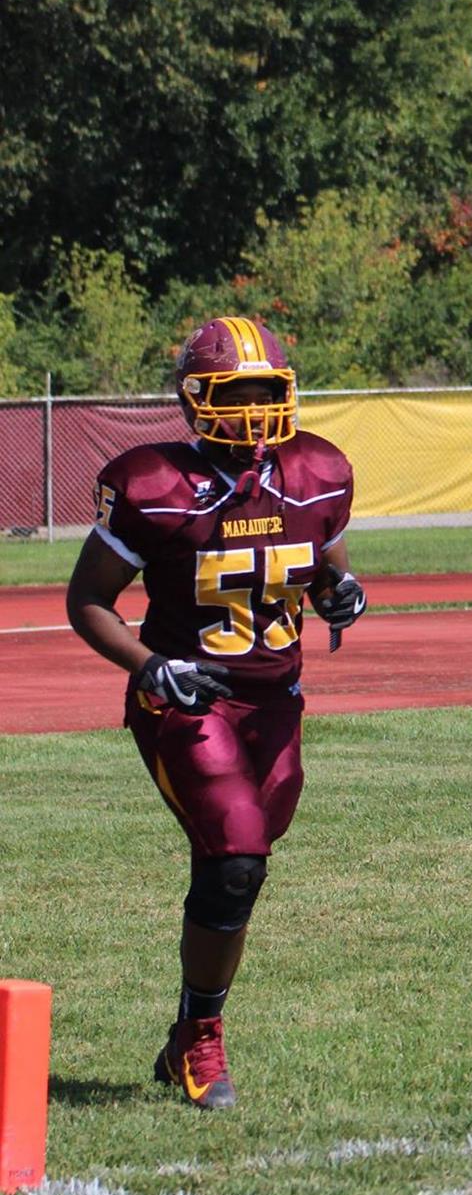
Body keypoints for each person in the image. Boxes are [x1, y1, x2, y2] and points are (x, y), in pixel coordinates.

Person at [65, 316, 366, 1110]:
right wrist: (149, 664)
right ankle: (202, 1038)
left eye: (269, 392)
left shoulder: (318, 469)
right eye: (239, 395)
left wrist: (340, 592)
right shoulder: (153, 483)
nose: (257, 411)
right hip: (188, 699)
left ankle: (180, 1039)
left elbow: (325, 564)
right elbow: (88, 600)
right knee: (236, 856)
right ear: (197, 400)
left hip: (276, 705)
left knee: (238, 863)